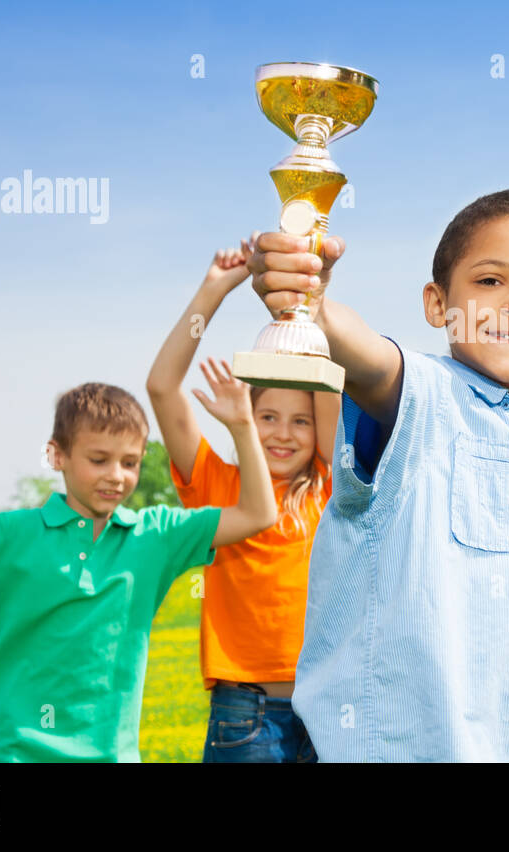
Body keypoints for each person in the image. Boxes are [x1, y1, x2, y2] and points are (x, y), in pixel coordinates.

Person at [246, 188, 509, 761]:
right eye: (490, 281)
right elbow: (366, 357)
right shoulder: (420, 400)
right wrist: (313, 306)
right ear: (438, 304)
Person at [0, 373, 277, 762]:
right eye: (99, 460)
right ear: (57, 455)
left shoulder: (155, 536)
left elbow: (257, 514)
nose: (116, 475)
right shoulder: (9, 535)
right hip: (10, 753)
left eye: (130, 462)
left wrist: (243, 428)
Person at [147, 241, 339, 763]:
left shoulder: (326, 482)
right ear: (245, 418)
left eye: (300, 420)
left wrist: (304, 305)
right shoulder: (214, 482)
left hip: (325, 707)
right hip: (244, 714)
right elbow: (162, 388)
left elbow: (331, 380)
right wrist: (214, 289)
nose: (284, 433)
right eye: (268, 417)